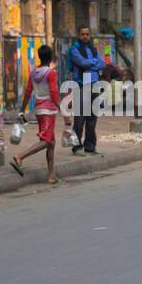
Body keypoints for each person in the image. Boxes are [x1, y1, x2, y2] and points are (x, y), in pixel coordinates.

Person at [9, 45, 65, 184]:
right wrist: (64, 110)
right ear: (51, 58)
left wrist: (22, 109)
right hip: (48, 111)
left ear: (40, 57)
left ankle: (51, 175)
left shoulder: (34, 72)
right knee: (46, 141)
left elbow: (28, 92)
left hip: (40, 110)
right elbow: (53, 93)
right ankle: (20, 156)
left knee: (51, 143)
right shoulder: (51, 73)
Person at [67, 27, 105, 156]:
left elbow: (103, 63)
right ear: (78, 35)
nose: (85, 36)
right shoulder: (74, 49)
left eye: (87, 34)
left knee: (92, 118)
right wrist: (94, 63)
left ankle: (90, 146)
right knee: (80, 119)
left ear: (90, 35)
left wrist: (91, 63)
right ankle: (77, 147)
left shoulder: (93, 49)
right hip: (81, 85)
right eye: (82, 34)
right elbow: (82, 63)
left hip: (94, 85)